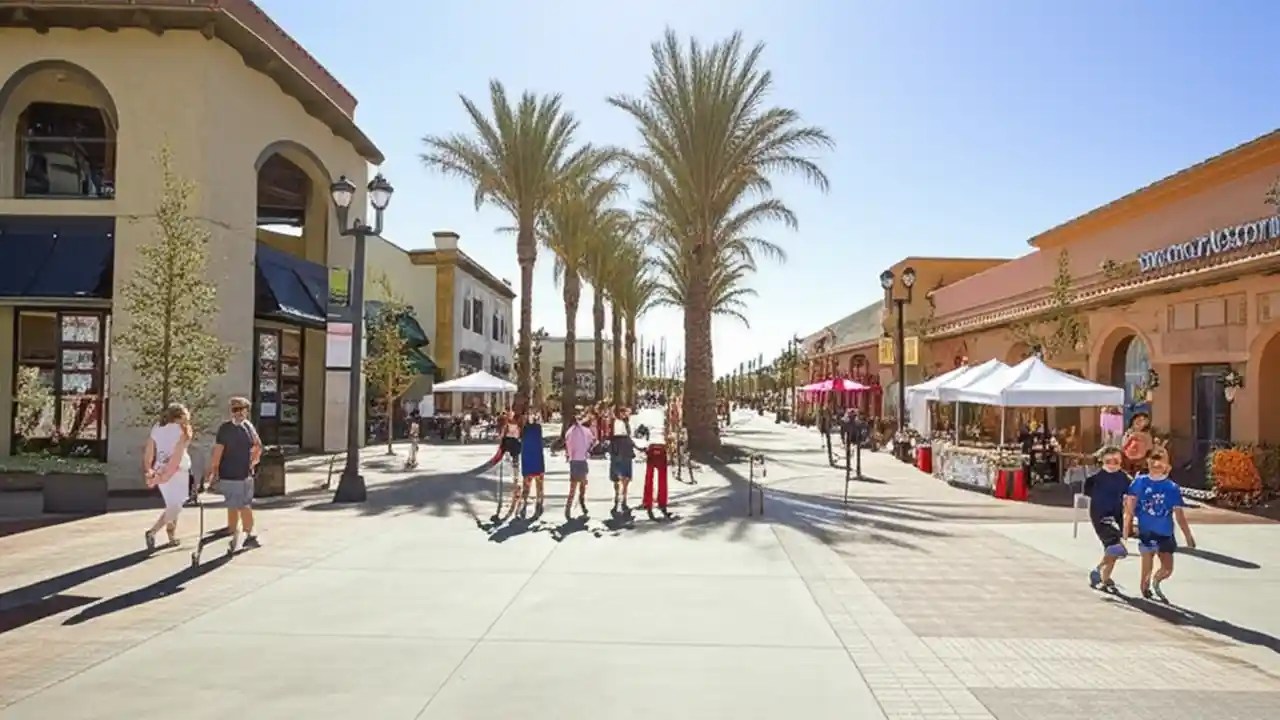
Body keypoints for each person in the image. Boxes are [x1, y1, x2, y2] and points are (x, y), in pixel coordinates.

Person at [1123, 446, 1196, 601]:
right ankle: (1145, 587)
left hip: (1165, 532)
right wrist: (1126, 527)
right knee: (1147, 562)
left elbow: (1179, 514)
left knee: (1168, 568)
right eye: (1153, 462)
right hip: (1147, 530)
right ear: (1147, 463)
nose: (1156, 466)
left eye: (1160, 462)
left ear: (1167, 466)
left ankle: (1157, 580)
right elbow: (1129, 507)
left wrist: (1188, 536)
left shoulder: (1172, 488)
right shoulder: (1139, 483)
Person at [206, 397, 264, 554]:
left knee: (241, 504)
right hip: (235, 473)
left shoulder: (239, 427)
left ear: (246, 410)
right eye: (235, 409)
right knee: (237, 504)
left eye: (241, 409)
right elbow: (257, 446)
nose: (238, 413)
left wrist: (252, 462)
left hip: (238, 473)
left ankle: (247, 535)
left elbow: (257, 446)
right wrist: (214, 470)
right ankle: (237, 531)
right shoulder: (239, 427)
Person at [143, 403, 194, 551]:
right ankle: (152, 531)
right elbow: (177, 455)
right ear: (182, 415)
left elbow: (149, 452)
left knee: (171, 504)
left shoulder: (157, 428)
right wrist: (166, 475)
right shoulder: (184, 430)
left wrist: (149, 470)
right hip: (177, 470)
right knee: (176, 505)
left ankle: (171, 535)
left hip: (159, 467)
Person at [1084, 446, 1131, 591]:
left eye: (1116, 461)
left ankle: (1105, 578)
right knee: (1116, 547)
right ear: (1102, 460)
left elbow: (1131, 494)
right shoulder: (1095, 479)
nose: (1112, 464)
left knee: (1112, 549)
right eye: (1109, 460)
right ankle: (1097, 570)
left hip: (1117, 515)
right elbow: (1088, 493)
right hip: (1101, 517)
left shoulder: (1124, 478)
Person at [563, 410, 595, 520]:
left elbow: (568, 447)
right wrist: (588, 450)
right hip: (582, 460)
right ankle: (581, 502)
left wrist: (569, 455)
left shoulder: (569, 432)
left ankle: (568, 508)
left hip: (574, 461)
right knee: (582, 484)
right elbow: (593, 441)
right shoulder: (585, 431)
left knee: (573, 486)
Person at [519, 410, 547, 516]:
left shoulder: (524, 430)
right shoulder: (538, 429)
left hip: (527, 461)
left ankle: (524, 502)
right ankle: (539, 503)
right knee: (539, 484)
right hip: (538, 461)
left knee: (526, 484)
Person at [609, 406, 636, 515]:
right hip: (623, 451)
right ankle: (620, 500)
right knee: (621, 477)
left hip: (619, 451)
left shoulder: (625, 424)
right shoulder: (618, 423)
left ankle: (621, 499)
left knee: (622, 478)